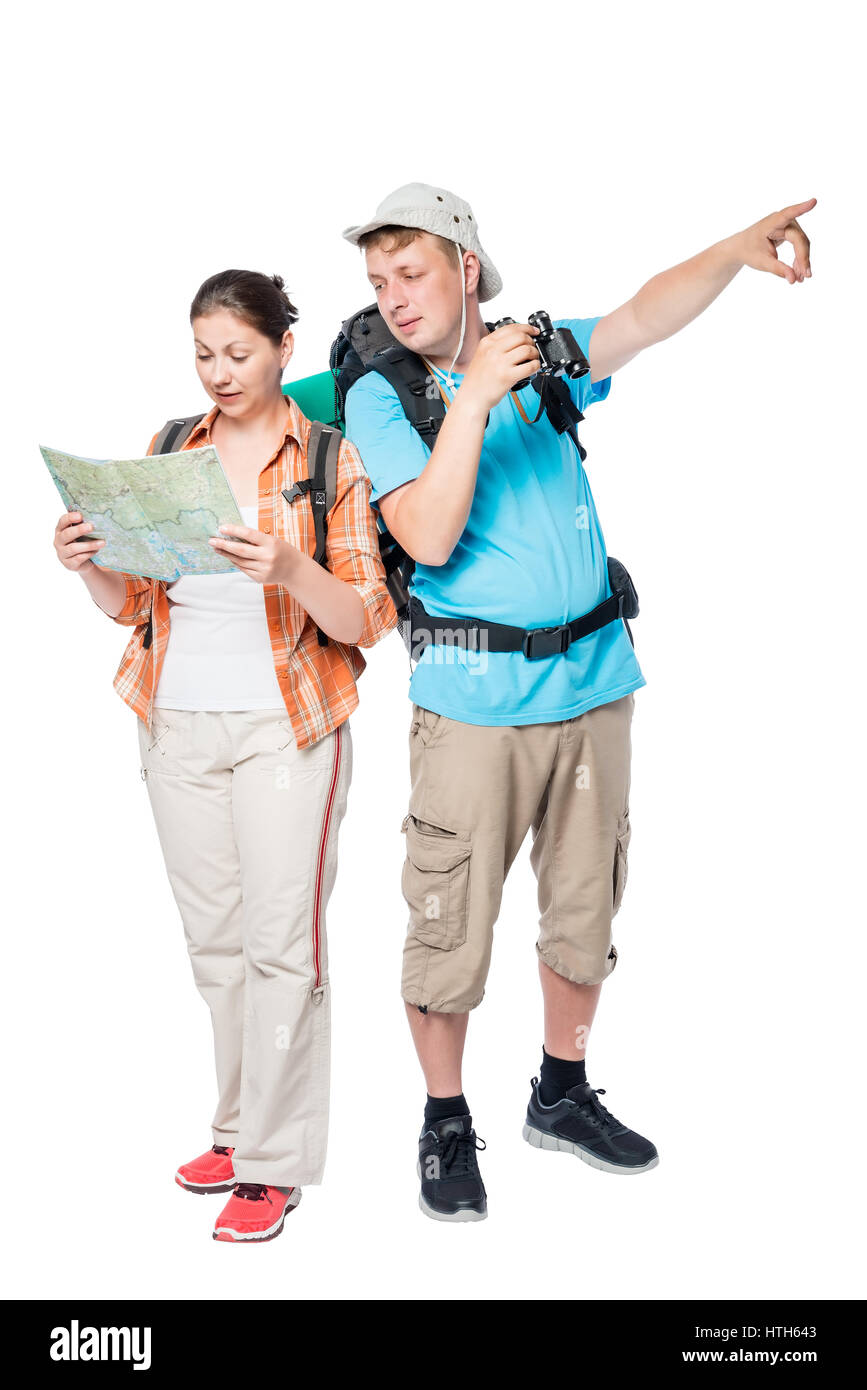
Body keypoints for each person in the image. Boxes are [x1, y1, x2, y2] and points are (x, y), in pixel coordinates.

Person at [342, 182, 815, 1222]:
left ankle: (561, 1091)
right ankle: (444, 1117)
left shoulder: (540, 356)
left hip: (598, 685)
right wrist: (466, 399)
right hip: (470, 703)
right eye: (379, 283)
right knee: (449, 922)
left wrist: (734, 250)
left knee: (586, 906)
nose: (395, 299)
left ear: (466, 265)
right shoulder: (385, 395)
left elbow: (644, 314)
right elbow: (424, 534)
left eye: (411, 274)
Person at [54, 269, 397, 1243]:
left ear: (284, 349)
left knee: (283, 945)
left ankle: (276, 1167)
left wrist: (291, 565)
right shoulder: (170, 449)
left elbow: (364, 619)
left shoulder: (328, 459)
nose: (219, 372)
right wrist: (89, 566)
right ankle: (241, 1129)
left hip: (287, 725)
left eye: (237, 353)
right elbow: (134, 605)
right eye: (203, 354)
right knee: (217, 946)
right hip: (175, 722)